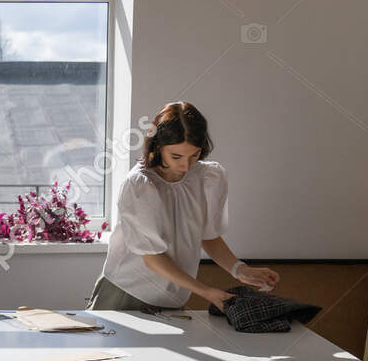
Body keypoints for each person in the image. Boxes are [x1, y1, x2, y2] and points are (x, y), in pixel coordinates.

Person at [87, 101, 278, 311]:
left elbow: (208, 236)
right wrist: (206, 292)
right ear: (158, 146)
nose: (186, 166)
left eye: (194, 155)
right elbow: (152, 258)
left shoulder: (207, 177)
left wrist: (240, 269)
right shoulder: (140, 186)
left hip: (173, 296)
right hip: (126, 293)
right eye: (176, 156)